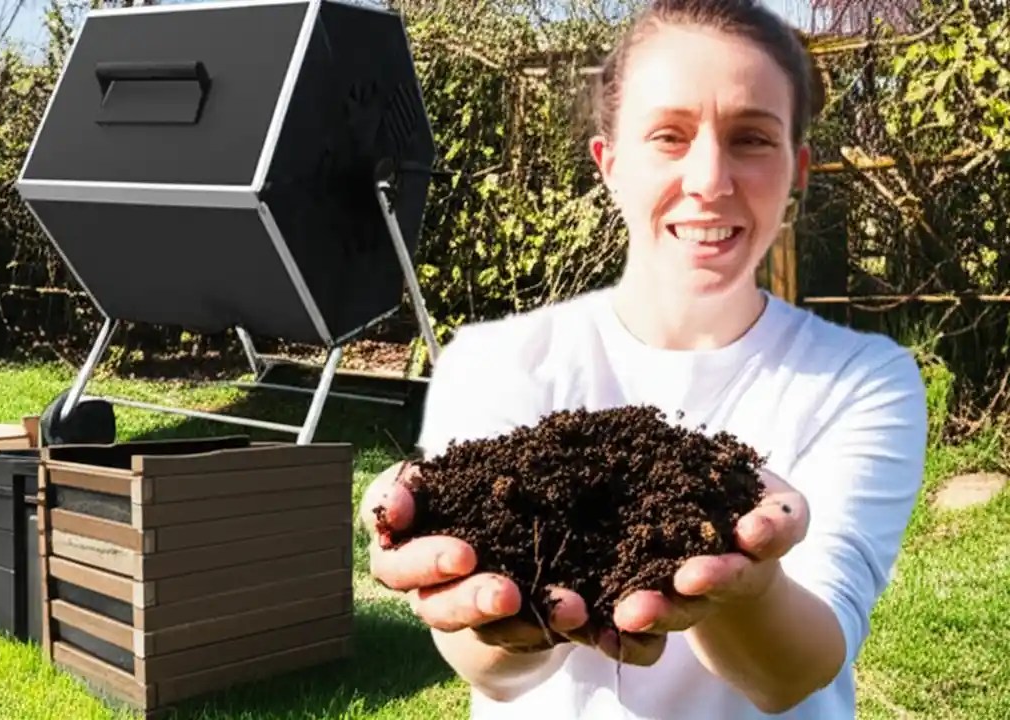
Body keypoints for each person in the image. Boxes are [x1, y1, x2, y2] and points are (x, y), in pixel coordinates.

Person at [357, 1, 928, 718]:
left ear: (797, 169)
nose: (710, 179)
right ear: (610, 163)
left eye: (752, 138)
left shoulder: (864, 380)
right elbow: (487, 668)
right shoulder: (495, 359)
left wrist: (743, 585)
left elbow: (796, 671)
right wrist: (487, 603)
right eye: (669, 135)